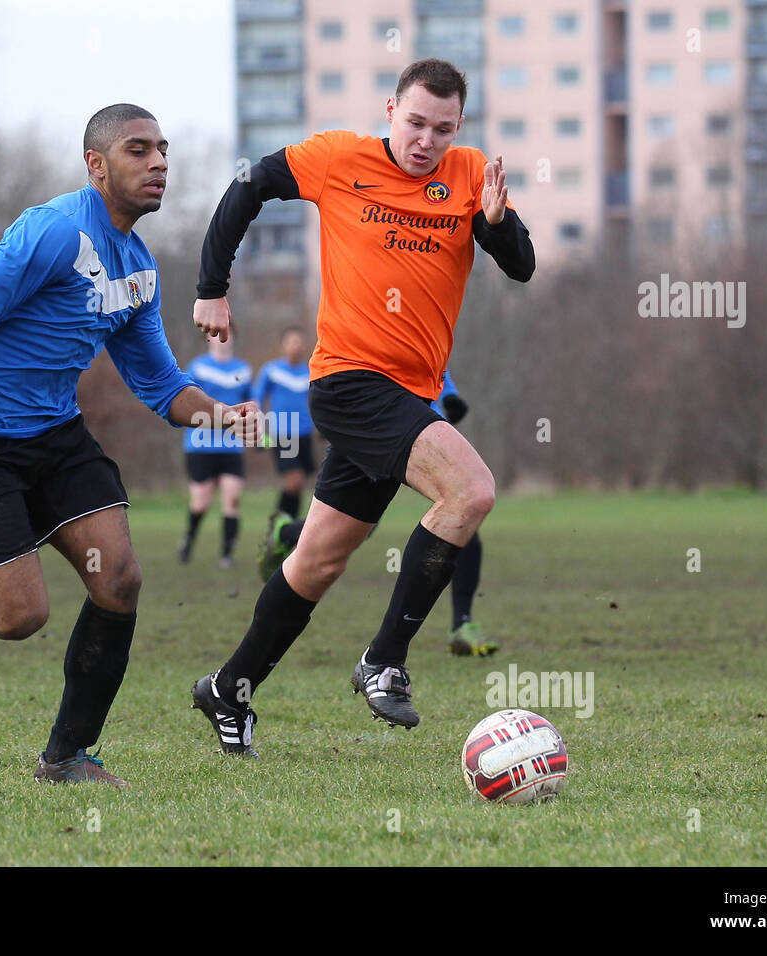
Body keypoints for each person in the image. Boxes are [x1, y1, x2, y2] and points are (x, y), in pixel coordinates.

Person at [0, 104, 260, 787]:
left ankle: (67, 756)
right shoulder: (54, 230)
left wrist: (225, 416)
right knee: (18, 617)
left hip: (55, 440)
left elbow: (159, 386)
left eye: (163, 149)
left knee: (120, 579)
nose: (159, 162)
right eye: (138, 150)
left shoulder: (139, 269)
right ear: (96, 165)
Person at [189, 58, 533, 756]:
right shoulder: (337, 158)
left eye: (442, 128)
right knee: (469, 492)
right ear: (390, 110)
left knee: (316, 561)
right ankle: (385, 660)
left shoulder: (468, 175)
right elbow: (248, 183)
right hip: (350, 381)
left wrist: (495, 224)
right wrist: (211, 286)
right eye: (414, 122)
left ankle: (230, 687)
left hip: (409, 394)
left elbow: (522, 265)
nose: (425, 140)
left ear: (458, 127)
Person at [257, 370, 499, 657]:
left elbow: (438, 370)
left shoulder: (429, 341)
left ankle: (462, 623)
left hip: (419, 428)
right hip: (378, 421)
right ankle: (286, 532)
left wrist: (450, 398)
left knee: (463, 511)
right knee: (352, 528)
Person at [179, 333, 251, 568]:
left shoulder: (244, 370)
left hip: (231, 446)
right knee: (200, 502)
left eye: (228, 335)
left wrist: (259, 434)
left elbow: (251, 407)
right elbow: (186, 402)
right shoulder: (197, 368)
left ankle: (227, 555)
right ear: (208, 339)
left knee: (232, 498)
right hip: (200, 445)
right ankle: (188, 542)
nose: (224, 339)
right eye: (218, 335)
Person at [252, 326, 315, 534]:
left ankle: (289, 530)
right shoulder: (272, 371)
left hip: (305, 434)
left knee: (298, 485)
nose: (295, 346)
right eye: (291, 342)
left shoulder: (311, 371)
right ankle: (280, 531)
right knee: (294, 480)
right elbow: (257, 399)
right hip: (281, 434)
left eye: (299, 342)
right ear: (283, 345)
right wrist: (259, 429)